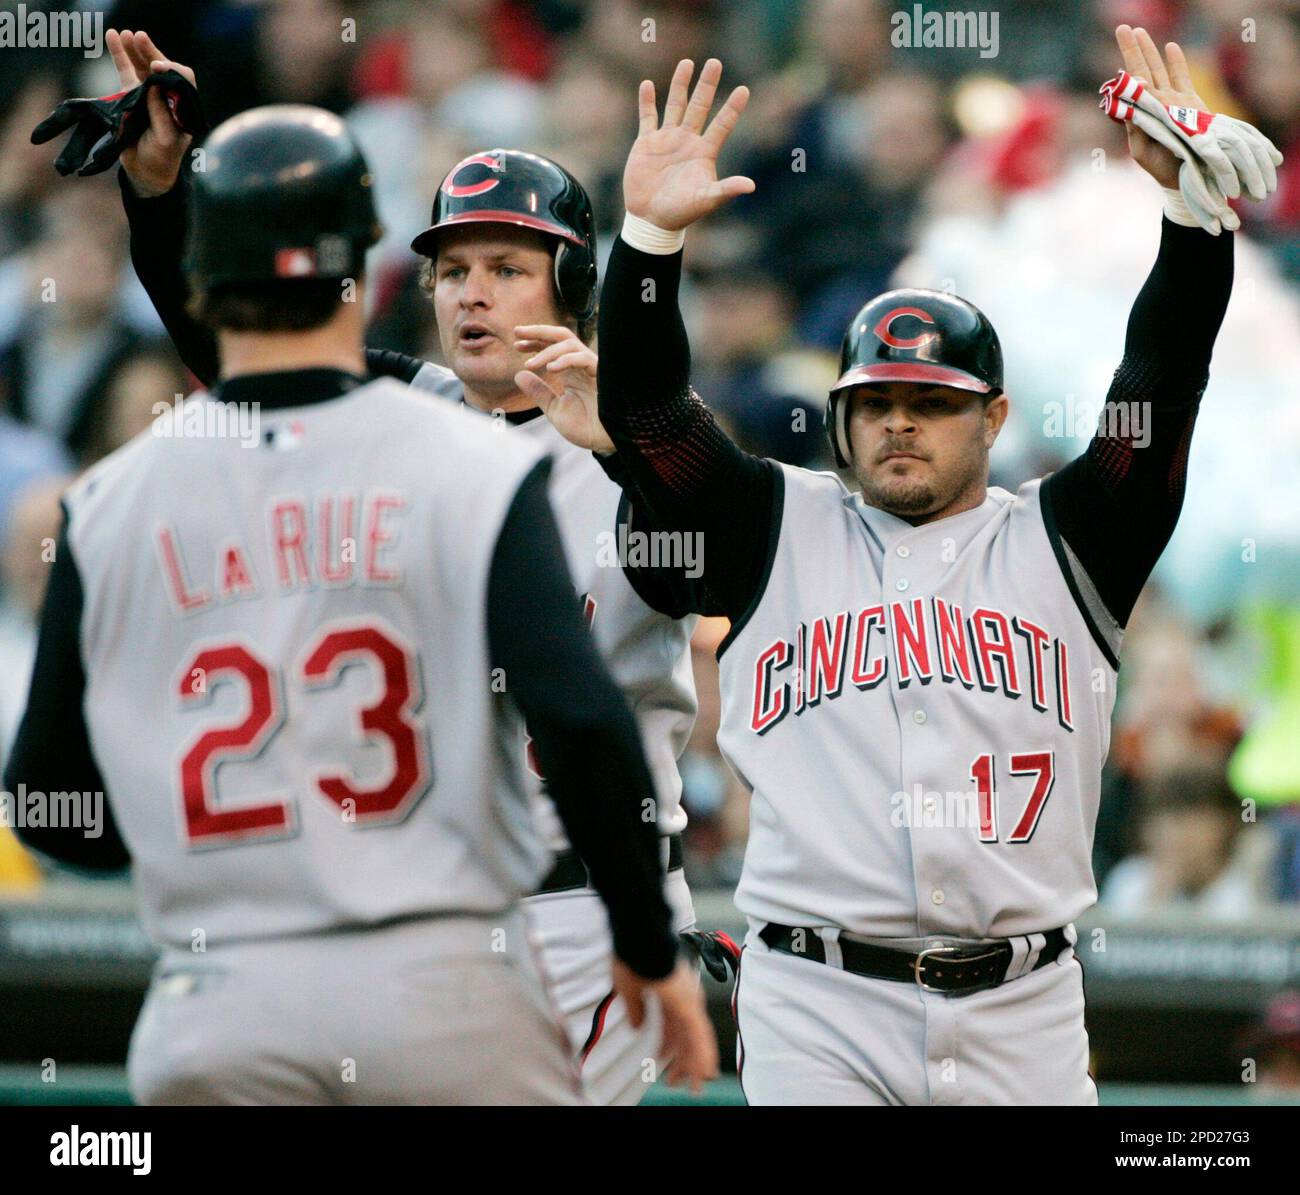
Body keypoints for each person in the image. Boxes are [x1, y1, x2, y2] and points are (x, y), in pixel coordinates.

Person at [56, 26, 725, 1107]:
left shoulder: (645, 443)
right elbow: (239, 342)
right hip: (426, 913)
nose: (470, 294)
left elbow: (709, 526)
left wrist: (650, 269)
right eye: (452, 269)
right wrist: (164, 193)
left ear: (568, 280)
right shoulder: (401, 411)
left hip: (587, 901)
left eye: (506, 269)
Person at [592, 30, 1241, 1105]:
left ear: (992, 417)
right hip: (820, 1000)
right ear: (839, 418)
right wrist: (651, 242)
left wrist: (1192, 227)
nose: (899, 425)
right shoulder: (770, 524)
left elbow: (1160, 386)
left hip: (1022, 1006)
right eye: (874, 403)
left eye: (931, 404)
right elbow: (647, 412)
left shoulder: (1071, 537)